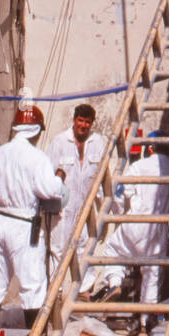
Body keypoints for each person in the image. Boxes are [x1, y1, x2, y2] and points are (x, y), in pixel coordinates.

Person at [81, 132, 169, 331]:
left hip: (135, 223)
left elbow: (122, 193)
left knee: (114, 253)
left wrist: (121, 214)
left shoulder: (138, 166)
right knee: (152, 275)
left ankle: (114, 282)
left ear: (150, 148)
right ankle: (146, 320)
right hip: (159, 231)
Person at [0, 105, 68, 331]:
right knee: (32, 286)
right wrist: (59, 177)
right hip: (24, 224)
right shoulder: (37, 157)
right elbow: (51, 191)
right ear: (37, 131)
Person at [45, 103, 106, 272]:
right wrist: (51, 205)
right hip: (63, 208)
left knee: (84, 248)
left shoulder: (97, 142)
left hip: (86, 207)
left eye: (88, 122)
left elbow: (102, 177)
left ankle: (83, 292)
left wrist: (102, 208)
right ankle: (55, 294)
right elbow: (49, 176)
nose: (83, 125)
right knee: (58, 249)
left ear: (92, 123)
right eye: (80, 120)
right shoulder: (60, 142)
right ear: (74, 120)